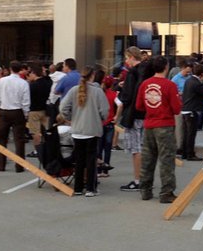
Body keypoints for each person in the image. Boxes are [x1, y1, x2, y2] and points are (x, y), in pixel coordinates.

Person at [135, 56, 182, 203]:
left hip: (149, 124)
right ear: (166, 67)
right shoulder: (170, 85)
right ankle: (166, 192)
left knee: (148, 159)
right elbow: (176, 109)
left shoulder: (145, 84)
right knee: (166, 160)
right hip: (165, 124)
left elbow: (139, 106)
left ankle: (145, 190)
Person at [61, 66, 109, 197]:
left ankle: (78, 187)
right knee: (91, 160)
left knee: (79, 160)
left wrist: (71, 118)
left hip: (77, 129)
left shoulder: (74, 90)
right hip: (92, 129)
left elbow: (63, 107)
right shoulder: (98, 92)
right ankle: (90, 188)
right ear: (92, 75)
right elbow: (105, 110)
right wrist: (100, 119)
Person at [117, 46, 147, 192]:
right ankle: (145, 178)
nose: (126, 61)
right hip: (146, 114)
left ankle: (138, 180)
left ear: (131, 57)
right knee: (144, 148)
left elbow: (127, 97)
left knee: (136, 150)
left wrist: (121, 90)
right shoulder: (147, 71)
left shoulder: (132, 73)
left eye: (127, 58)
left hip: (134, 114)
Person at [0, 61, 31, 173]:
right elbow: (26, 100)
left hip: (3, 110)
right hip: (18, 111)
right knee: (19, 140)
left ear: (10, 69)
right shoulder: (23, 83)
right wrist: (25, 113)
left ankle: (1, 165)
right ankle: (19, 166)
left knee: (1, 139)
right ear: (20, 70)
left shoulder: (2, 81)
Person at [181, 63, 203, 161]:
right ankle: (190, 153)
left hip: (186, 109)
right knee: (191, 133)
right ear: (202, 74)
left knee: (186, 133)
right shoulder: (197, 83)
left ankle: (184, 152)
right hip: (192, 109)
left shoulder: (189, 80)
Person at [26, 65, 52, 158]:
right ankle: (46, 148)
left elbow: (28, 98)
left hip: (34, 110)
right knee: (45, 131)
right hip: (45, 110)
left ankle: (37, 150)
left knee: (35, 132)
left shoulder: (32, 85)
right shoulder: (47, 83)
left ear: (34, 73)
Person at [97, 72, 117, 177]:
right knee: (108, 147)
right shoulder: (114, 94)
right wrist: (116, 116)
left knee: (99, 148)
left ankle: (99, 170)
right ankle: (106, 170)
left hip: (101, 123)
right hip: (110, 123)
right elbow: (120, 105)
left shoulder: (99, 94)